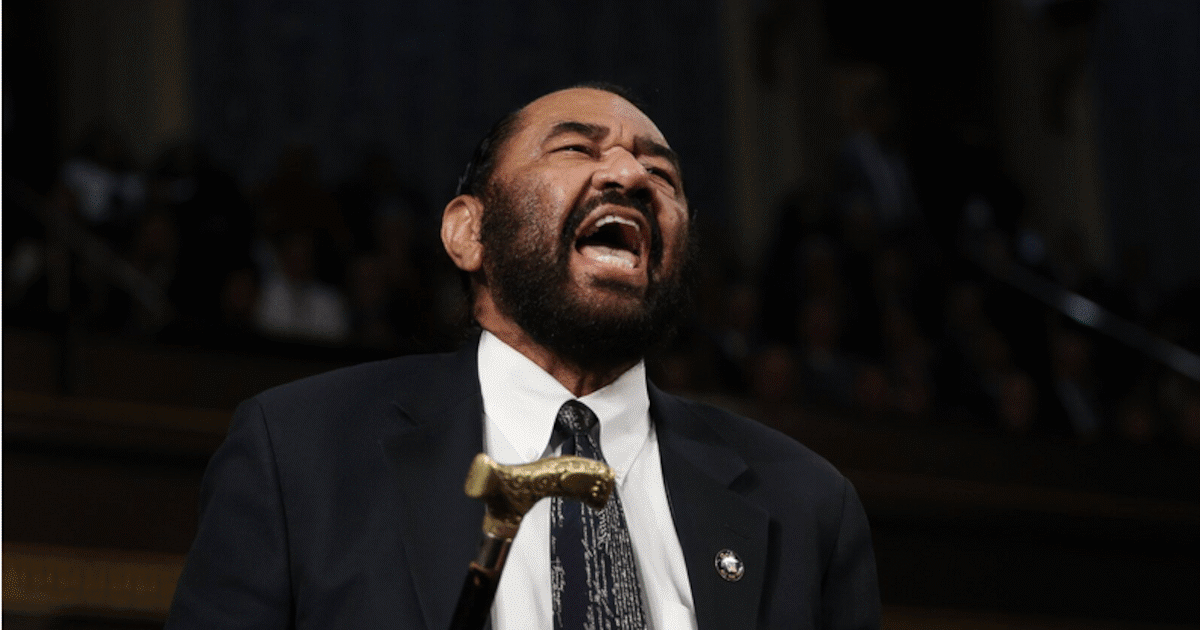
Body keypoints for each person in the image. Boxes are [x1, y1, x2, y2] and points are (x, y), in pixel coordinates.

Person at [166, 84, 880, 629]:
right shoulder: (299, 454)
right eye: (576, 148)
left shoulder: (806, 504)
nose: (631, 174)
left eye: (663, 174)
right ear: (468, 233)